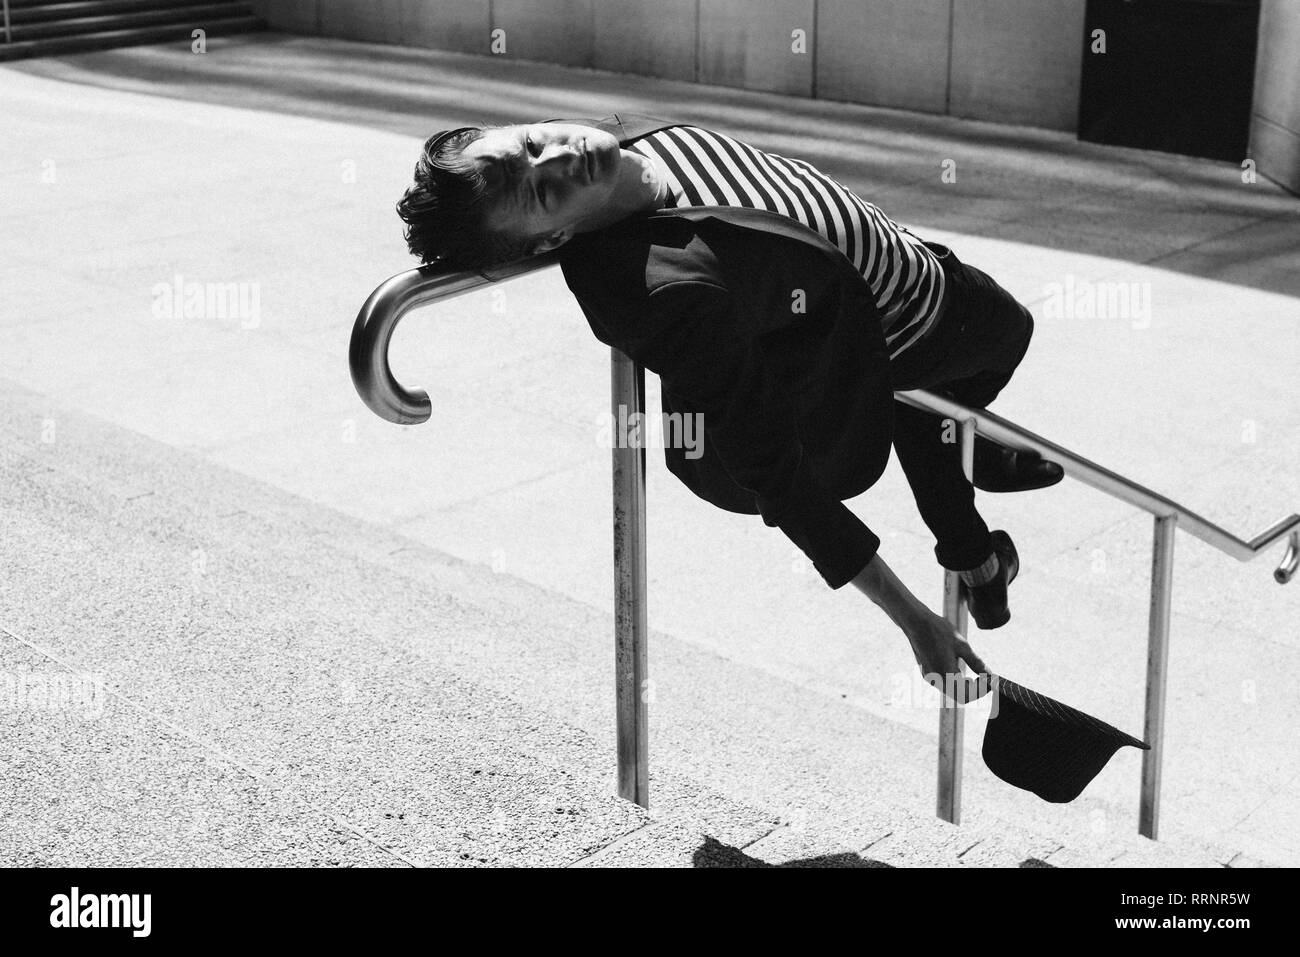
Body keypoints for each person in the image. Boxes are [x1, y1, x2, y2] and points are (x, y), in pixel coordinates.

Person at [395, 113, 1064, 700]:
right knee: (1010, 336)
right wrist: (916, 621)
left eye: (532, 143)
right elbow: (777, 474)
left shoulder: (626, 133)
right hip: (920, 319)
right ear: (548, 241)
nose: (563, 158)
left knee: (938, 419)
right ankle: (971, 478)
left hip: (905, 249)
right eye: (545, 193)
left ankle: (975, 543)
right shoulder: (658, 289)